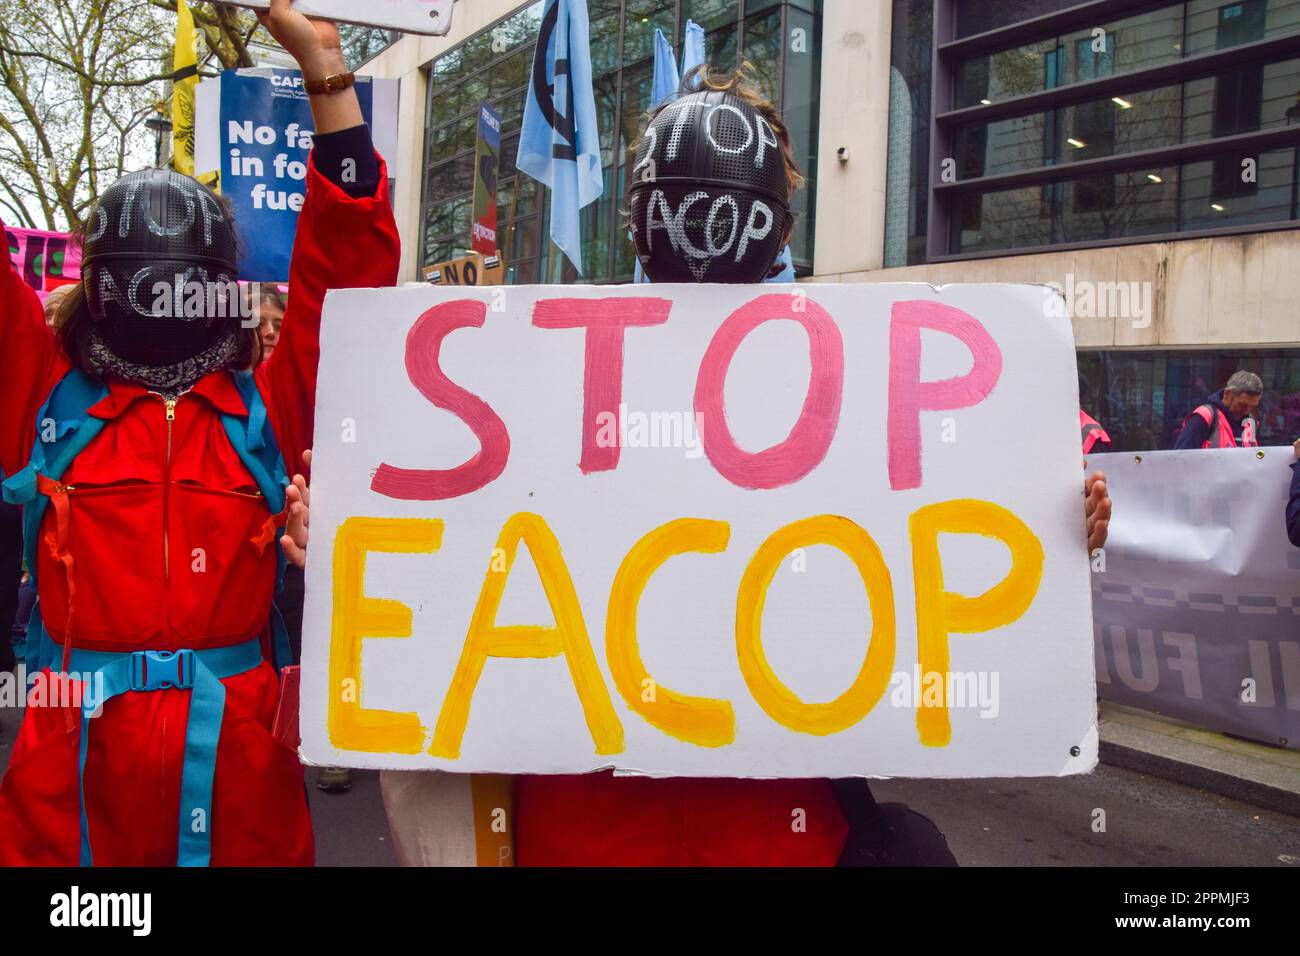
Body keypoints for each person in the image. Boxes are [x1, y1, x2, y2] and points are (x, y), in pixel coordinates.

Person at [0, 0, 399, 867]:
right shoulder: (45, 402)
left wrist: (326, 68)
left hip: (237, 780)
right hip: (73, 786)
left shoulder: (268, 410)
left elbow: (349, 273)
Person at [1173, 370, 1263, 449]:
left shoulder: (1251, 423)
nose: (1246, 411)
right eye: (1242, 405)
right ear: (1227, 394)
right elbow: (1181, 459)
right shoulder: (1204, 417)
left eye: (1252, 407)